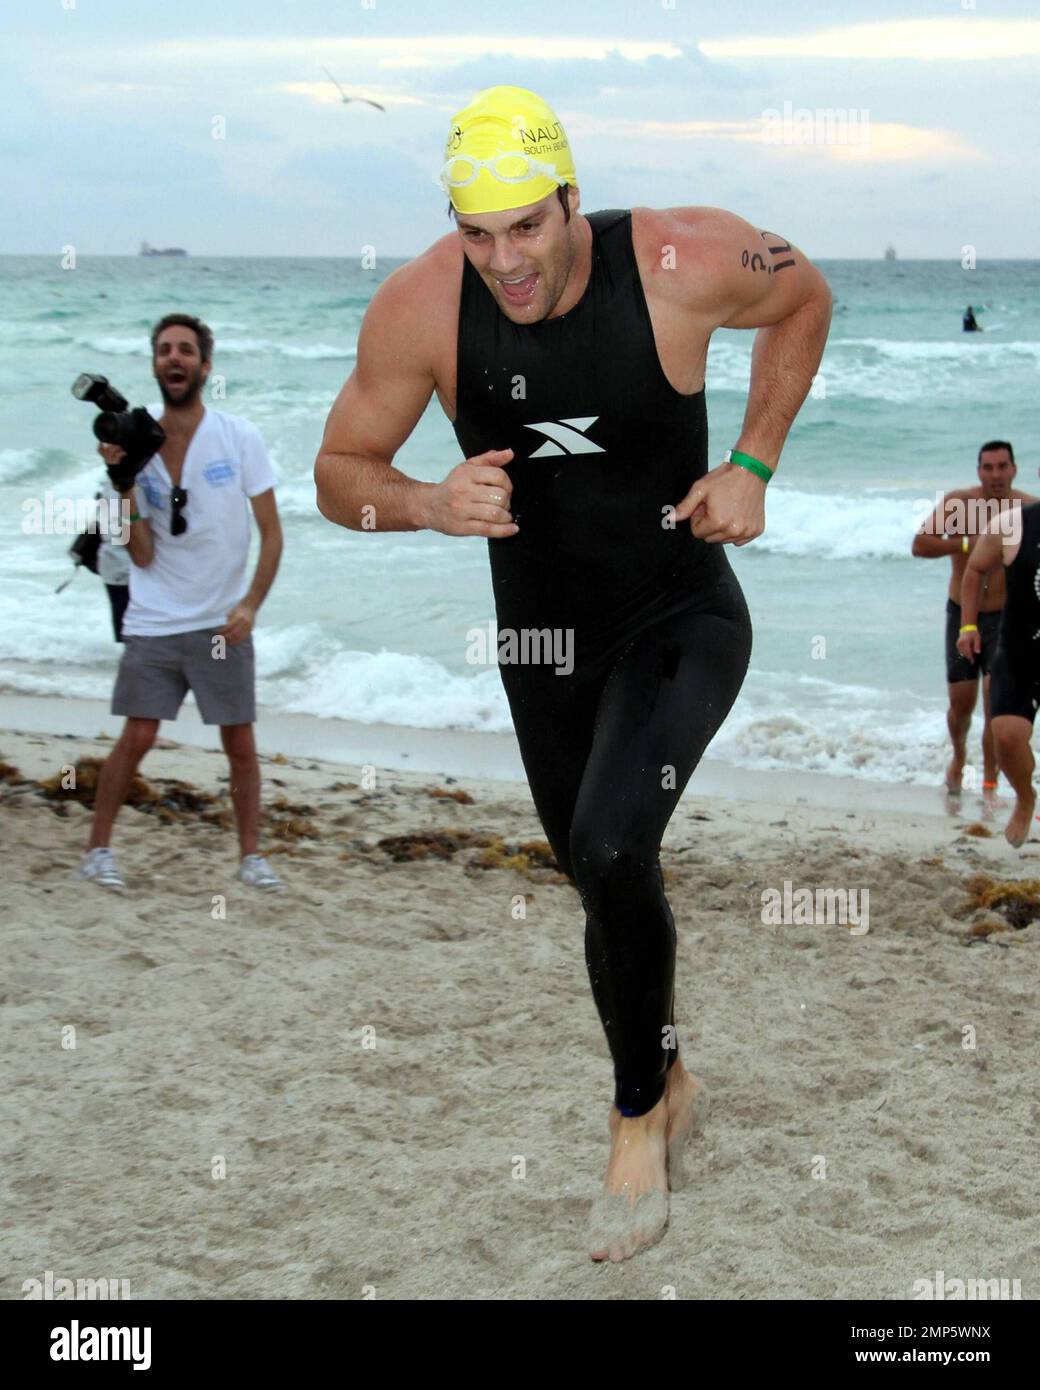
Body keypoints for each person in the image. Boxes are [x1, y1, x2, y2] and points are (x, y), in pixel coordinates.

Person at [314, 85, 831, 1262]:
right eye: (474, 231)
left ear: (569, 202)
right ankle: (670, 1073)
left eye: (526, 228)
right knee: (594, 872)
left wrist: (753, 460)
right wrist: (425, 504)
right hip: (538, 644)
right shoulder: (420, 310)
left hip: (679, 613)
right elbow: (339, 471)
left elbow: (803, 295)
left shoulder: (679, 258)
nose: (503, 260)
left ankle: (634, 1122)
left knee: (609, 843)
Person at [78, 313, 285, 893]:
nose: (175, 358)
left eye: (186, 350)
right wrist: (123, 488)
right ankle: (97, 850)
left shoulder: (238, 436)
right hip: (154, 619)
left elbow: (272, 531)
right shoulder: (136, 447)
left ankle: (251, 857)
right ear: (154, 364)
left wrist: (252, 602)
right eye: (165, 350)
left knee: (239, 743)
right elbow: (140, 555)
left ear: (205, 366)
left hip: (222, 621)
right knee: (137, 736)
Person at [912, 442, 1034, 798]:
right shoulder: (959, 504)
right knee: (961, 706)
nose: (995, 474)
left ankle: (990, 780)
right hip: (962, 615)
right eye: (988, 467)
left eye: (1002, 466)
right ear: (979, 471)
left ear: (1014, 469)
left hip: (1007, 618)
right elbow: (920, 544)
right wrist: (966, 544)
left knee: (995, 704)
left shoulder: (1027, 509)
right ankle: (959, 756)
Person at [957, 492, 1040, 846]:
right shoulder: (1013, 524)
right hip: (1021, 652)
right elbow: (975, 568)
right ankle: (1025, 797)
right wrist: (968, 626)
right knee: (1005, 735)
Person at [97, 473, 131, 640]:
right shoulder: (121, 484)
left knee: (128, 631)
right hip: (122, 566)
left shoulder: (110, 483)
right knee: (132, 631)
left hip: (113, 564)